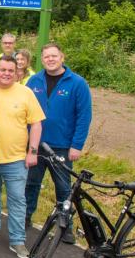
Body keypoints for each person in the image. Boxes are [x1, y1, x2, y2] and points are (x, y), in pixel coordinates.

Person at [25, 43, 92, 244]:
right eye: (46, 56)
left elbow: (84, 116)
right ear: (42, 59)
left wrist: (77, 145)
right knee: (31, 183)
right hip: (36, 145)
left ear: (62, 57)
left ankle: (65, 227)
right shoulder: (33, 81)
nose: (50, 59)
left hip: (62, 146)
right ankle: (26, 216)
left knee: (63, 188)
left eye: (54, 56)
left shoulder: (77, 83)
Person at [0, 56, 45, 258]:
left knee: (17, 200)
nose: (6, 73)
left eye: (11, 70)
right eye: (3, 69)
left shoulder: (26, 93)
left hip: (16, 159)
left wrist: (32, 152)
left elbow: (36, 123)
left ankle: (17, 241)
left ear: (17, 72)